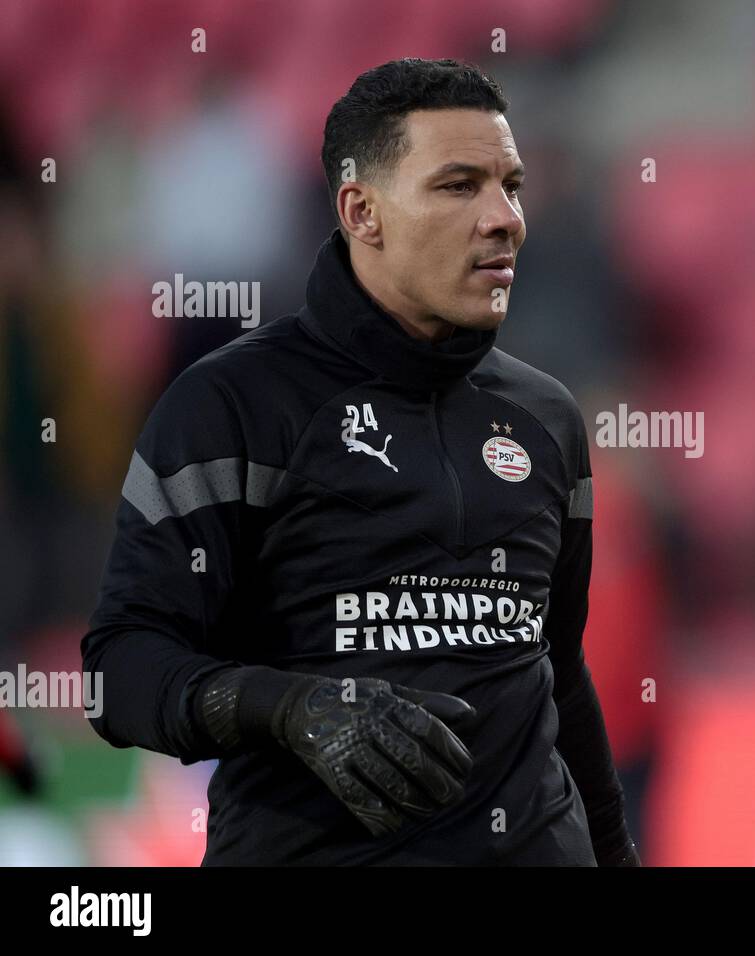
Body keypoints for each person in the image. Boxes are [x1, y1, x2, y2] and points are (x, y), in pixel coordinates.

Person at [82, 57, 638, 866]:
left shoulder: (547, 419)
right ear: (362, 211)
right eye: (459, 186)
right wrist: (291, 708)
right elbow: (119, 670)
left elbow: (556, 667)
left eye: (511, 185)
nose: (506, 217)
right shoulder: (232, 407)